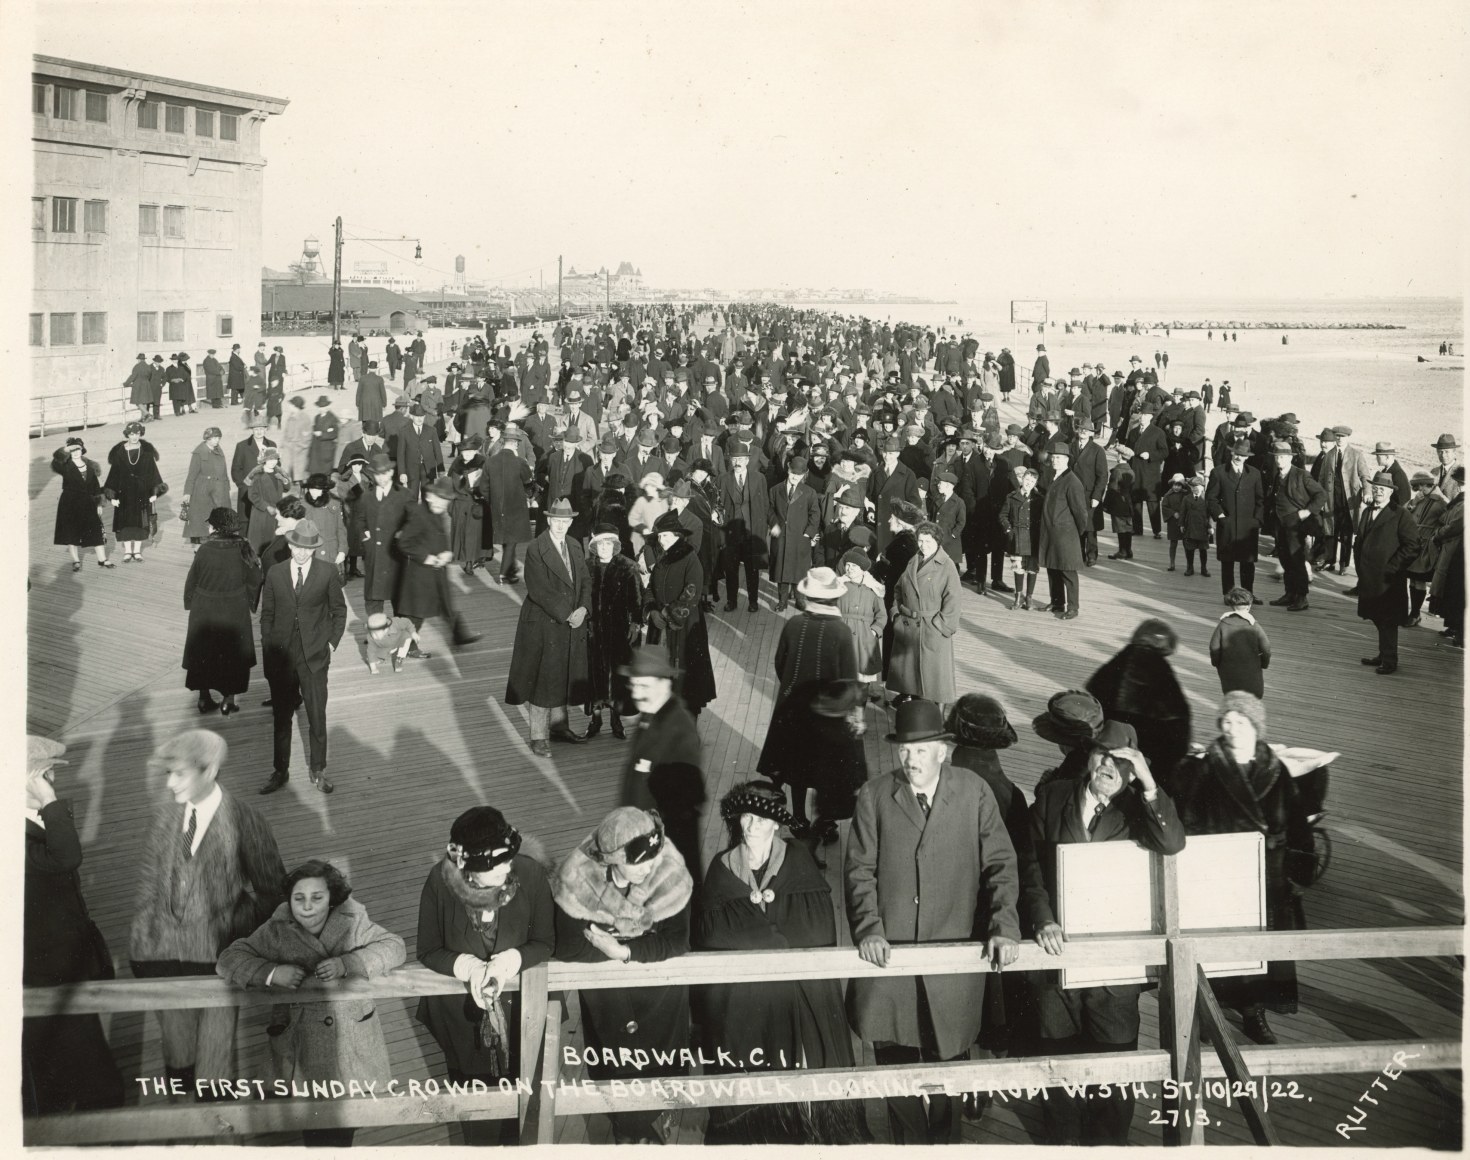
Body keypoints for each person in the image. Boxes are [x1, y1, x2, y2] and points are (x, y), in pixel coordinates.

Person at [845, 698, 1021, 1144]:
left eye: (922, 750)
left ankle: (945, 1144)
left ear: (944, 750)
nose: (911, 759)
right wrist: (869, 929)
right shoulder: (874, 796)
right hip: (893, 959)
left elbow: (1000, 862)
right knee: (895, 1061)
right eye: (905, 749)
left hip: (952, 955)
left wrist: (1004, 924)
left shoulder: (974, 791)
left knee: (949, 1061)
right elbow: (859, 871)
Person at [1028, 735, 1185, 1145]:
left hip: (1115, 971)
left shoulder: (1139, 807)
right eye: (1103, 755)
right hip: (1055, 960)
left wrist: (1150, 785)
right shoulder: (1052, 797)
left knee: (1113, 1074)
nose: (1109, 767)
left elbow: (1172, 843)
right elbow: (1028, 865)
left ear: (1135, 769)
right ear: (1088, 757)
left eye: (1124, 761)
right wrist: (1042, 918)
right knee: (1056, 1069)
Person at [693, 781, 867, 1145]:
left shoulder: (799, 862)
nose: (752, 825)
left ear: (777, 824)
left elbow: (818, 927)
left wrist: (756, 923)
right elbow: (710, 937)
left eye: (761, 819)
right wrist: (770, 929)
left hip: (797, 995)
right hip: (747, 999)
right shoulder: (722, 869)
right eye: (746, 817)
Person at [129, 730, 286, 1098]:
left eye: (179, 774)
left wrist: (249, 947)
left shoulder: (246, 821)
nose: (169, 784)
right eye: (168, 773)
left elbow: (272, 892)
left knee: (214, 1062)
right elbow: (148, 888)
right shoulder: (165, 819)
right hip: (162, 959)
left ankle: (217, 1131)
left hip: (218, 957)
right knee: (178, 1052)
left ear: (210, 770)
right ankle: (186, 1121)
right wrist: (141, 941)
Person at [1166, 694, 1322, 1045]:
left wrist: (1298, 872)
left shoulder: (1275, 770)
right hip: (1219, 875)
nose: (1231, 727)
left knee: (1257, 952)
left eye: (1240, 721)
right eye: (1226, 720)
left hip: (1267, 877)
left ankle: (1254, 1013)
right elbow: (1185, 821)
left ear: (1256, 726)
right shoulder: (1200, 770)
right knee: (1217, 949)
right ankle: (1208, 1012)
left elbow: (1297, 824)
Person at [216, 860, 405, 1148]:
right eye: (298, 898)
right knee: (312, 1122)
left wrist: (349, 963)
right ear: (289, 901)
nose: (307, 907)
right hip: (300, 1042)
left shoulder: (353, 921)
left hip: (349, 1041)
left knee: (345, 1121)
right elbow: (230, 958)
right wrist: (270, 973)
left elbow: (394, 947)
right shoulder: (277, 930)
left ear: (332, 900)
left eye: (317, 898)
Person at [552, 807, 693, 1145]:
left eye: (653, 857)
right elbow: (569, 948)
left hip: (658, 994)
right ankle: (629, 1133)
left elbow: (677, 940)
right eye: (639, 861)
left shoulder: (668, 871)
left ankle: (653, 1123)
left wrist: (622, 951)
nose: (650, 867)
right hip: (607, 998)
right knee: (615, 1066)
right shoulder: (578, 879)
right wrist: (636, 940)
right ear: (613, 859)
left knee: (663, 1064)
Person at [415, 807, 554, 1145]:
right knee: (478, 1126)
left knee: (526, 1117)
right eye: (498, 863)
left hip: (525, 1016)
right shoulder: (439, 880)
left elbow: (547, 942)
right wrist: (469, 966)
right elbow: (428, 949)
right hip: (464, 1027)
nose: (509, 868)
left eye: (509, 859)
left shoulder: (530, 873)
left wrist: (511, 960)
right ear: (469, 866)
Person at [24, 736, 125, 1116]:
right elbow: (67, 857)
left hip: (61, 967)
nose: (53, 782)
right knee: (95, 1081)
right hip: (46, 974)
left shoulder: (30, 822)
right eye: (47, 775)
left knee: (60, 1069)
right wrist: (49, 802)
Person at [756, 566, 866, 863]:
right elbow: (848, 678)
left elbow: (781, 664)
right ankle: (825, 822)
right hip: (827, 714)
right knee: (826, 767)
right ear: (834, 599)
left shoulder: (793, 624)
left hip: (792, 708)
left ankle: (799, 818)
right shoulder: (841, 631)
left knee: (795, 765)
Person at [259, 519, 348, 795]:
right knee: (282, 717)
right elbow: (267, 616)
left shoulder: (328, 572)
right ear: (290, 544)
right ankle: (280, 771)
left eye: (306, 549)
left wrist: (331, 643)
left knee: (316, 715)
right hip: (283, 656)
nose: (300, 553)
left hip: (315, 656)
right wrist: (271, 646)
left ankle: (318, 770)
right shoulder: (275, 573)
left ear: (314, 550)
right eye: (296, 546)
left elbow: (339, 611)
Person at [505, 498, 592, 756]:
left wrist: (584, 608)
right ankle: (538, 737)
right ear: (549, 521)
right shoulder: (536, 548)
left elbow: (585, 580)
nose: (561, 526)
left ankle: (559, 728)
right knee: (544, 679)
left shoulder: (575, 545)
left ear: (570, 522)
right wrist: (568, 614)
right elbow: (539, 589)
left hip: (572, 618)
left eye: (566, 521)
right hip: (545, 622)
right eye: (557, 521)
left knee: (562, 674)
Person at [619, 648, 707, 889]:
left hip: (664, 852)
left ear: (664, 684)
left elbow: (685, 802)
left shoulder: (679, 727)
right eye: (634, 685)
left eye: (644, 686)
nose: (637, 693)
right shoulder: (651, 717)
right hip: (643, 841)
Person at [1086, 619, 1192, 780]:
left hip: (1107, 745)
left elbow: (1094, 692)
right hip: (1146, 755)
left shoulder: (1117, 662)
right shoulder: (1160, 669)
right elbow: (1177, 719)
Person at [183, 508, 263, 716]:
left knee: (203, 653)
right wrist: (251, 601)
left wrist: (190, 601)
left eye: (211, 524)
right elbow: (255, 577)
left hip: (204, 606)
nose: (208, 527)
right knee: (232, 654)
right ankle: (228, 701)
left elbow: (193, 578)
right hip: (233, 607)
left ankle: (203, 698)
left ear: (217, 527)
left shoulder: (204, 549)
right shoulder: (243, 547)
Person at [395, 477, 482, 650]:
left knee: (446, 605)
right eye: (441, 500)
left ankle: (459, 635)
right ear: (429, 496)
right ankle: (407, 646)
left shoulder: (437, 512)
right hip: (420, 573)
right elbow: (404, 542)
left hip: (436, 570)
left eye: (446, 502)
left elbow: (440, 537)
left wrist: (447, 552)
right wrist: (425, 557)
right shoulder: (419, 514)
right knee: (417, 613)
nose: (443, 505)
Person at [645, 510, 717, 715]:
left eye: (665, 536)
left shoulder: (689, 557)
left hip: (685, 627)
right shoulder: (662, 556)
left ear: (677, 536)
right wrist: (651, 611)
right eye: (659, 536)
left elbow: (692, 592)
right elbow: (650, 587)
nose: (661, 540)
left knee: (686, 679)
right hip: (659, 626)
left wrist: (667, 615)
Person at [886, 521, 963, 708]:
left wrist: (942, 626)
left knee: (933, 682)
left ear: (937, 542)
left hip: (932, 630)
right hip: (908, 626)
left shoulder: (946, 566)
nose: (923, 545)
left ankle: (934, 720)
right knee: (910, 677)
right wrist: (896, 614)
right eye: (920, 541)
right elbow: (898, 588)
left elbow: (954, 599)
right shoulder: (914, 560)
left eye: (928, 541)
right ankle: (911, 710)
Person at [1355, 471, 1422, 675]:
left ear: (1390, 492)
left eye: (1382, 489)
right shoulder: (1367, 511)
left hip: (1388, 580)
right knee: (1376, 616)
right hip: (1369, 577)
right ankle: (1383, 654)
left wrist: (1393, 567)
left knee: (1387, 619)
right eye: (1375, 488)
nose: (1378, 492)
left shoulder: (1400, 513)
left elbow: (1413, 545)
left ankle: (1390, 660)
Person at [585, 523, 643, 740]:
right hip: (593, 631)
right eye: (600, 544)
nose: (604, 548)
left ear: (615, 545)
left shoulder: (628, 567)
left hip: (619, 631)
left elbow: (636, 601)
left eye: (608, 543)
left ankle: (616, 719)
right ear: (595, 546)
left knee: (617, 676)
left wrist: (635, 624)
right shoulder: (587, 567)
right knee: (595, 675)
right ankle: (596, 718)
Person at [1269, 439, 1327, 612]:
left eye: (1282, 457)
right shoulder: (1277, 474)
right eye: (1276, 457)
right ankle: (1289, 593)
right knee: (1285, 558)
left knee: (1297, 560)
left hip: (1295, 525)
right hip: (1280, 524)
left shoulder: (1301, 475)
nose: (1279, 460)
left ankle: (1302, 597)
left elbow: (1321, 495)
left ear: (1290, 458)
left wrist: (1307, 511)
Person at [1207, 438, 1267, 604]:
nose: (1239, 457)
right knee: (1228, 562)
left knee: (1248, 563)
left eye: (1243, 455)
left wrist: (1257, 521)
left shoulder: (1254, 474)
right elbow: (1211, 498)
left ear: (1247, 457)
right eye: (1237, 454)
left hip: (1248, 527)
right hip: (1227, 525)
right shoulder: (1218, 472)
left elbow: (1260, 500)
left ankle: (1248, 594)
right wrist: (1220, 517)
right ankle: (1229, 594)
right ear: (1231, 452)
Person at [1037, 440, 1088, 619]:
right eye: (1053, 457)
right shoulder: (1053, 476)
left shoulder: (1072, 482)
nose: (1055, 461)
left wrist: (1076, 532)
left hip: (1066, 534)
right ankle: (1057, 602)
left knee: (1067, 571)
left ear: (1067, 459)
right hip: (1051, 533)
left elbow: (1081, 513)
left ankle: (1073, 607)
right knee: (1053, 567)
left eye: (1059, 458)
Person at [358, 451, 410, 618]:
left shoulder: (404, 495)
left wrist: (403, 536)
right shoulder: (366, 497)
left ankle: (401, 635)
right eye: (376, 474)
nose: (380, 478)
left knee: (400, 597)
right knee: (374, 598)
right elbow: (359, 521)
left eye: (384, 473)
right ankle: (375, 632)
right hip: (374, 555)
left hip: (395, 556)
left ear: (391, 472)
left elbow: (413, 521)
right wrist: (365, 538)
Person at [103, 422, 164, 563]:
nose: (134, 437)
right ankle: (127, 551)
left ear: (140, 434)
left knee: (140, 521)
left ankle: (136, 551)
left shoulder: (147, 452)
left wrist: (154, 492)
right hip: (123, 492)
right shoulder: (120, 453)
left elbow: (153, 473)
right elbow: (114, 474)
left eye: (137, 434)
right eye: (131, 434)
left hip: (142, 492)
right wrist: (111, 495)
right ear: (127, 435)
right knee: (125, 521)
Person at [767, 454, 822, 611]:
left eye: (798, 475)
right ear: (788, 470)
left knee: (799, 571)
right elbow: (769, 509)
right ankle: (782, 601)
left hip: (800, 538)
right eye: (792, 474)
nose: (794, 478)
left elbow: (815, 514)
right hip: (781, 537)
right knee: (782, 571)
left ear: (804, 475)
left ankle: (799, 599)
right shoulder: (775, 490)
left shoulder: (809, 492)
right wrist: (773, 524)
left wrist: (808, 533)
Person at [718, 442, 769, 611]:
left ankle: (753, 601)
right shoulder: (723, 479)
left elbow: (764, 505)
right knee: (731, 569)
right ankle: (732, 601)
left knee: (751, 569)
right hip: (731, 533)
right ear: (731, 461)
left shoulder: (759, 478)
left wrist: (762, 530)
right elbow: (720, 504)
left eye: (741, 459)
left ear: (747, 460)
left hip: (751, 531)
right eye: (734, 459)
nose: (737, 462)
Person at [51, 437, 115, 571]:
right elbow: (56, 460)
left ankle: (102, 559)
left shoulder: (91, 466)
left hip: (88, 502)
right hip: (70, 502)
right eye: (72, 450)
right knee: (71, 531)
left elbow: (96, 487)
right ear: (68, 451)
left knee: (96, 529)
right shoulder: (64, 465)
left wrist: (99, 504)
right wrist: (66, 450)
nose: (75, 452)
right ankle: (75, 561)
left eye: (77, 449)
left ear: (82, 450)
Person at [486, 430, 535, 584]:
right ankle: (503, 574)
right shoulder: (520, 462)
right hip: (516, 508)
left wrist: (492, 499)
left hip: (497, 508)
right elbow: (528, 482)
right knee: (512, 541)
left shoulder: (490, 462)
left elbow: (482, 487)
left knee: (507, 541)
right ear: (515, 444)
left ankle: (509, 571)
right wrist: (529, 494)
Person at [837, 548, 886, 696]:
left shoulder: (873, 588)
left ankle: (859, 711)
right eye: (848, 565)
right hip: (842, 635)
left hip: (865, 639)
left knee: (862, 678)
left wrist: (873, 631)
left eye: (854, 566)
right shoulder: (839, 584)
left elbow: (882, 615)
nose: (849, 569)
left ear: (862, 569)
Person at [1404, 471, 1448, 626]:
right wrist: (1413, 503)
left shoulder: (1440, 501)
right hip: (1414, 543)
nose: (1418, 490)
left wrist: (1435, 536)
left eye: (1419, 487)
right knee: (1412, 579)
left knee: (1420, 580)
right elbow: (1405, 512)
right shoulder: (1420, 498)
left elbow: (1448, 521)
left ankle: (1415, 614)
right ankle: (1413, 613)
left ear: (1425, 485)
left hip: (1427, 546)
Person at [999, 465, 1044, 609]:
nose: (1028, 483)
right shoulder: (1011, 497)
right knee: (1018, 566)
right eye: (1027, 479)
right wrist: (1009, 531)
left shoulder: (1039, 499)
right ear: (1022, 479)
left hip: (1033, 538)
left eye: (1032, 481)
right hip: (1017, 536)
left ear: (1035, 484)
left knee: (1032, 567)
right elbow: (1002, 515)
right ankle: (1018, 596)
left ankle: (1029, 597)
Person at [180, 427, 232, 548]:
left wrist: (226, 487)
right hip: (202, 490)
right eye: (213, 438)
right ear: (207, 438)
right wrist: (187, 492)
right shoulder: (199, 452)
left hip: (219, 489)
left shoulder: (219, 450)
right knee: (201, 519)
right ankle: (199, 549)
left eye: (218, 438)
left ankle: (216, 544)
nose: (216, 441)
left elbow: (223, 471)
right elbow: (192, 474)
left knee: (219, 518)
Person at [243, 447, 294, 560]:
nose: (273, 462)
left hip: (277, 513)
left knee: (273, 544)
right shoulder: (258, 476)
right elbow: (252, 495)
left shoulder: (278, 473)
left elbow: (287, 488)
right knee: (260, 545)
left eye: (275, 459)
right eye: (270, 459)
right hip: (261, 514)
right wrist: (266, 506)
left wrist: (283, 479)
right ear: (264, 460)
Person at [231, 411, 276, 524]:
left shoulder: (272, 445)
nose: (259, 431)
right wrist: (242, 485)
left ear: (266, 429)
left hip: (266, 488)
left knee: (265, 519)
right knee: (247, 519)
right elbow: (236, 469)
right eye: (256, 429)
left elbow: (277, 466)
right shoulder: (242, 446)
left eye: (261, 428)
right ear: (252, 430)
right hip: (248, 488)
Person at [363, 610, 421, 675]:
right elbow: (371, 652)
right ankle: (381, 657)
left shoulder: (395, 623)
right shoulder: (371, 637)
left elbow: (407, 622)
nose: (373, 636)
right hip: (384, 648)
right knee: (371, 658)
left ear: (385, 630)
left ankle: (399, 658)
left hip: (398, 641)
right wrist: (373, 669)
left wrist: (413, 632)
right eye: (371, 633)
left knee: (407, 636)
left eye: (376, 634)